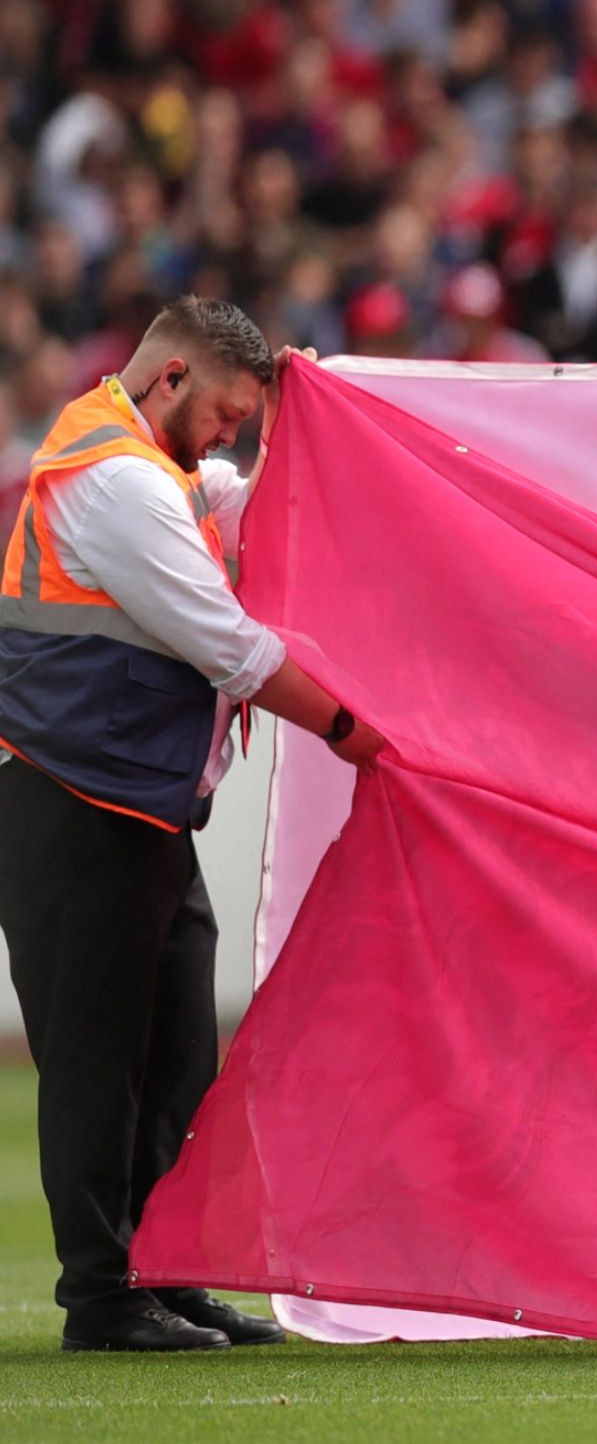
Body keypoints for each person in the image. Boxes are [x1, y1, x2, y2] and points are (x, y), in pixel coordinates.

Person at [0, 298, 389, 1353]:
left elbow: (254, 500)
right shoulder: (118, 484)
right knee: (99, 1058)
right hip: (77, 802)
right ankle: (102, 1297)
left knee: (173, 1049)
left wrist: (313, 419)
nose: (229, 438)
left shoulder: (151, 466)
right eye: (224, 414)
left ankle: (162, 1272)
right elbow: (232, 648)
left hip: (131, 802)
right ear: (170, 378)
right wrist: (351, 730)